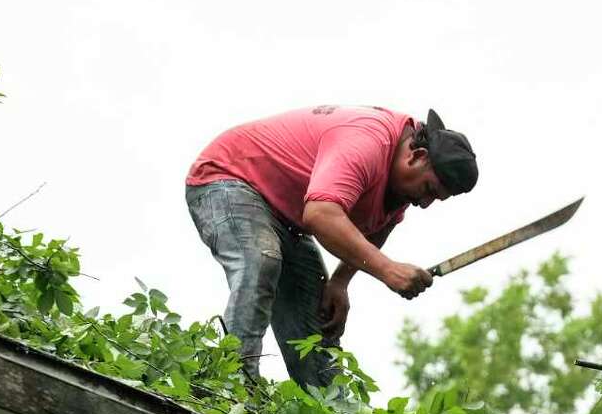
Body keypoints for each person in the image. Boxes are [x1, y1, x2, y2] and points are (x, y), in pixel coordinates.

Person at [185, 106, 478, 386]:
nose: (424, 204)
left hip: (285, 217)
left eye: (435, 199)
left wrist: (340, 282)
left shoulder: (402, 179)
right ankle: (232, 381)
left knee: (318, 312)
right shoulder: (366, 142)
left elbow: (379, 226)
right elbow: (321, 214)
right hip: (228, 179)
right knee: (262, 259)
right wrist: (389, 270)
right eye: (428, 190)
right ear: (418, 156)